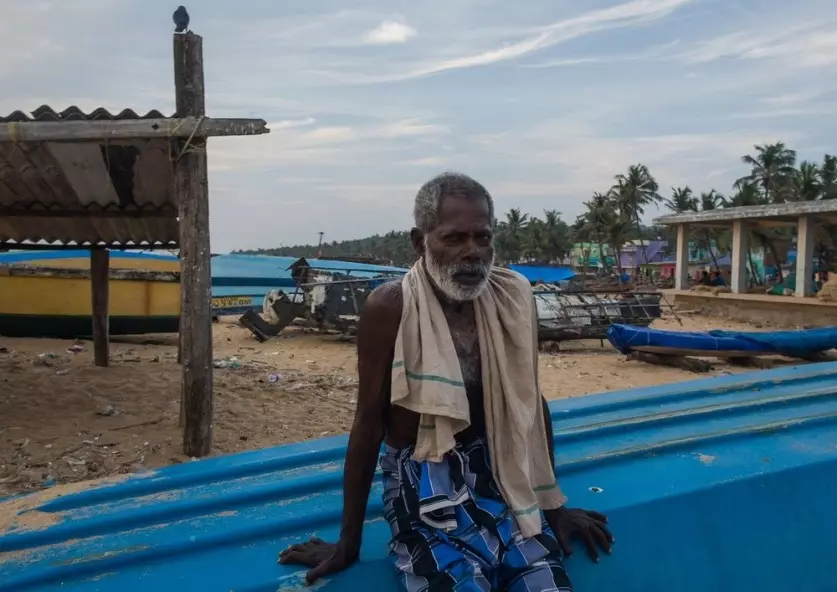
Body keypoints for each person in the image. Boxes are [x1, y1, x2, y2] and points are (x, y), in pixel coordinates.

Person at [279, 173, 612, 591]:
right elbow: (368, 421)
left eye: (483, 237)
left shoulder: (511, 298)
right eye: (454, 239)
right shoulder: (391, 306)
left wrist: (551, 504)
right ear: (420, 242)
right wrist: (349, 543)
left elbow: (528, 399)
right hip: (423, 482)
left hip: (500, 472)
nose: (472, 253)